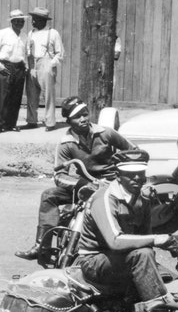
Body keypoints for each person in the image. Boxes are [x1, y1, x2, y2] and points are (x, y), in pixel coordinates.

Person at [74, 149, 178, 312]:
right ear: (118, 175)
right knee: (144, 254)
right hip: (95, 260)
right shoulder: (105, 198)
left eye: (140, 174)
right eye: (130, 175)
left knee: (176, 282)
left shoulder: (142, 198)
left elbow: (143, 238)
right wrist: (159, 239)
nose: (136, 179)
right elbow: (115, 241)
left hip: (125, 259)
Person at [15, 96, 138, 260]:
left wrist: (122, 170)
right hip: (86, 185)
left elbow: (134, 151)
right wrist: (83, 184)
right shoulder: (66, 143)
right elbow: (59, 176)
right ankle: (41, 247)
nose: (83, 119)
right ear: (68, 121)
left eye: (85, 114)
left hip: (112, 184)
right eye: (77, 116)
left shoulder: (106, 133)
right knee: (49, 196)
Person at [25, 7, 64, 131]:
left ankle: (50, 123)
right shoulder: (31, 33)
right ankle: (31, 121)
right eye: (33, 19)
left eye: (37, 19)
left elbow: (60, 53)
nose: (34, 21)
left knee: (48, 95)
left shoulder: (53, 33)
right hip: (32, 64)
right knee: (31, 94)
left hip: (46, 63)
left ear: (44, 21)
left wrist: (50, 64)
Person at [0, 9, 29, 134]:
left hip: (19, 67)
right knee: (3, 96)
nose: (19, 23)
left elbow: (25, 54)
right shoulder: (2, 34)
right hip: (5, 66)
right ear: (11, 22)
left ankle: (11, 124)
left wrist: (25, 66)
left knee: (16, 97)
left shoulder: (24, 36)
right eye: (16, 21)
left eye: (21, 21)